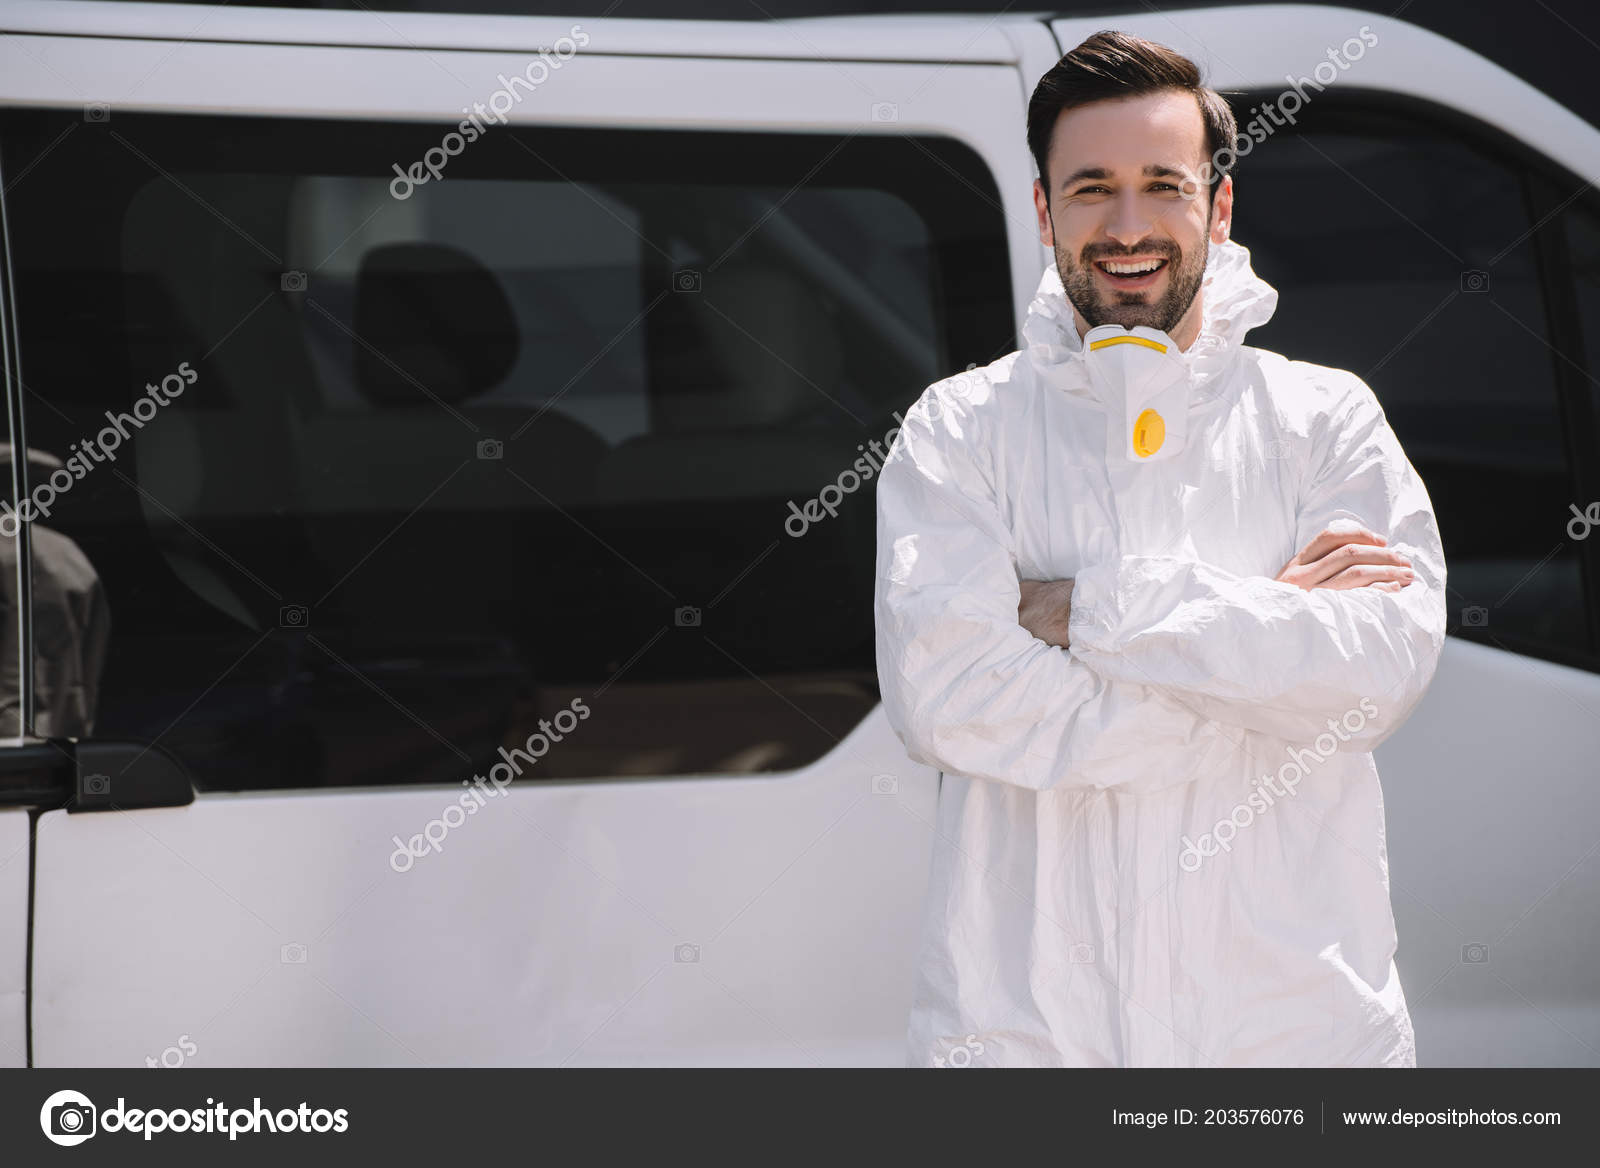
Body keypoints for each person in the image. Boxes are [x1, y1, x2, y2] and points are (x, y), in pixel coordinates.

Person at [874, 30, 1447, 1067]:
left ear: (1217, 210)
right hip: (1029, 1043)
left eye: (1161, 185)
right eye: (1090, 188)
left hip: (1295, 1040)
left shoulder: (1324, 420)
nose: (1127, 226)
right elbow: (946, 694)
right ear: (1045, 211)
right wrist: (1254, 669)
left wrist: (1076, 606)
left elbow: (1371, 675)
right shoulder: (959, 430)